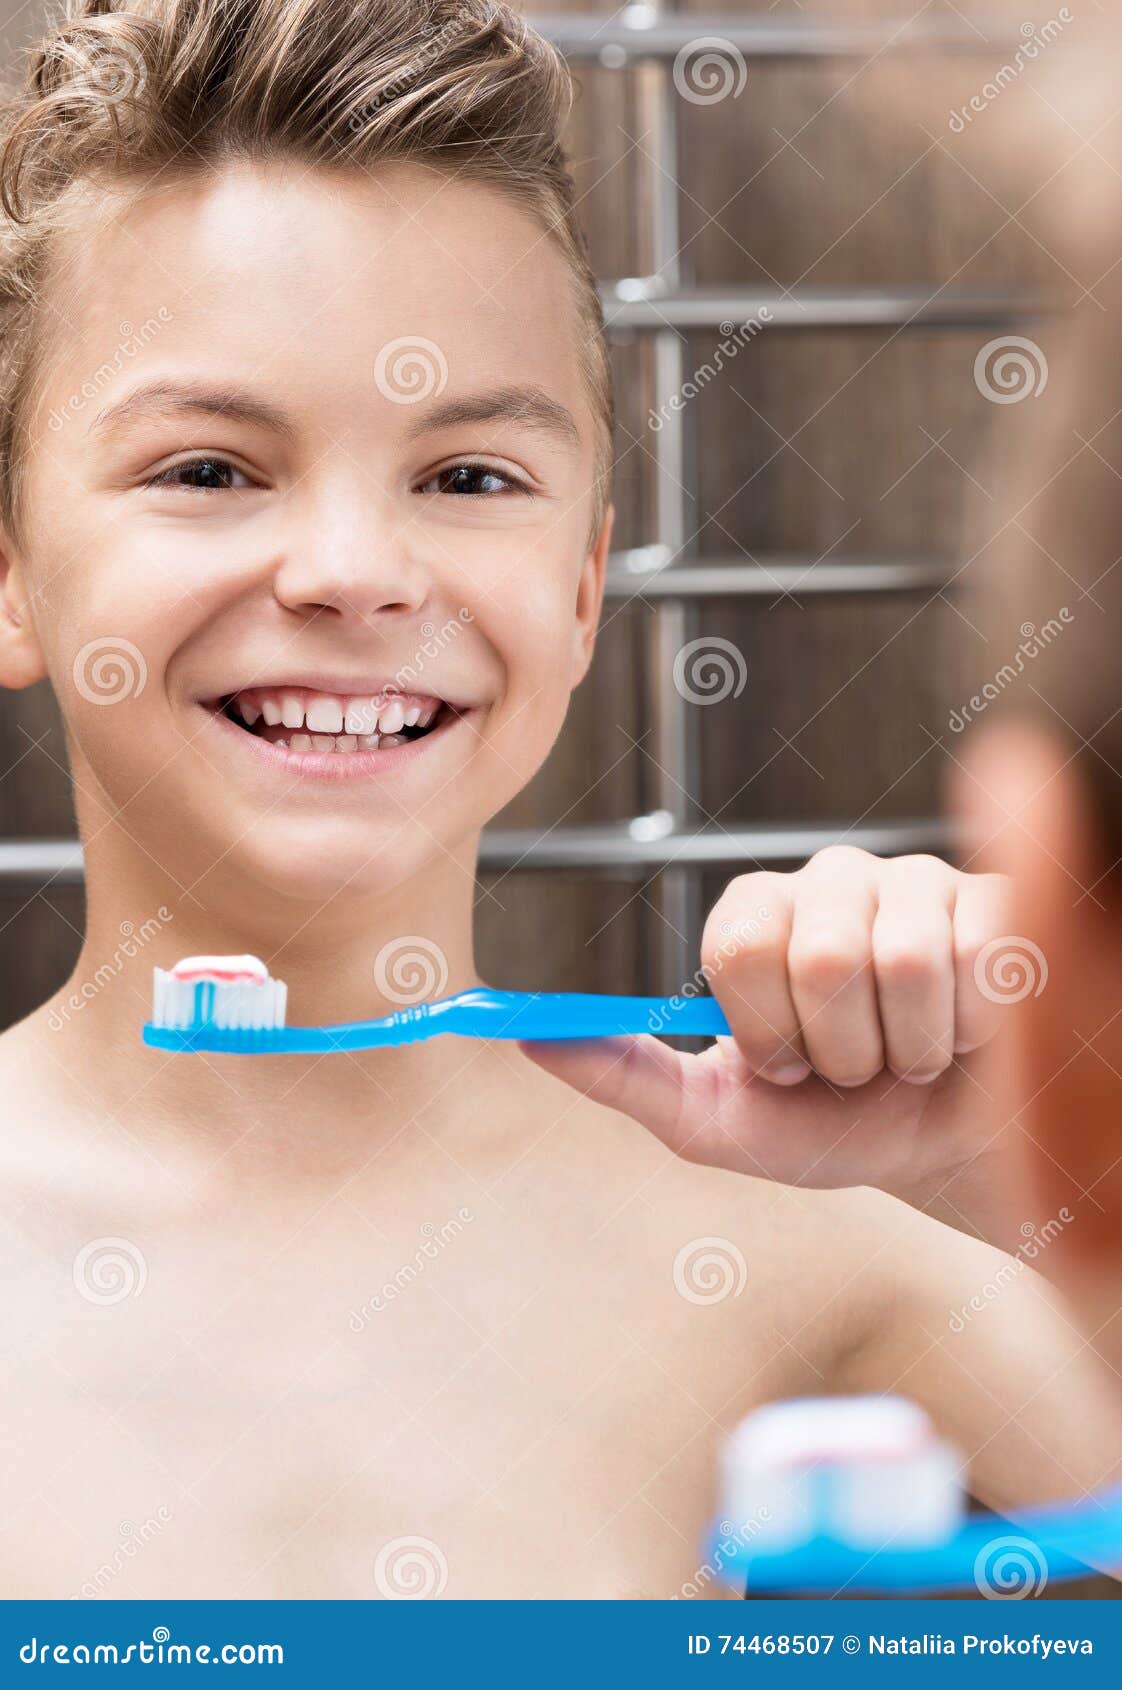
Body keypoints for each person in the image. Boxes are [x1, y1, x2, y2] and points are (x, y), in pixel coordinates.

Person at [0, 0, 1116, 1601]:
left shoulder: (830, 1260)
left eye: (467, 479)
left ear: (584, 586)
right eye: (208, 469)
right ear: (13, 574)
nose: (352, 574)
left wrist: (1031, 1184)